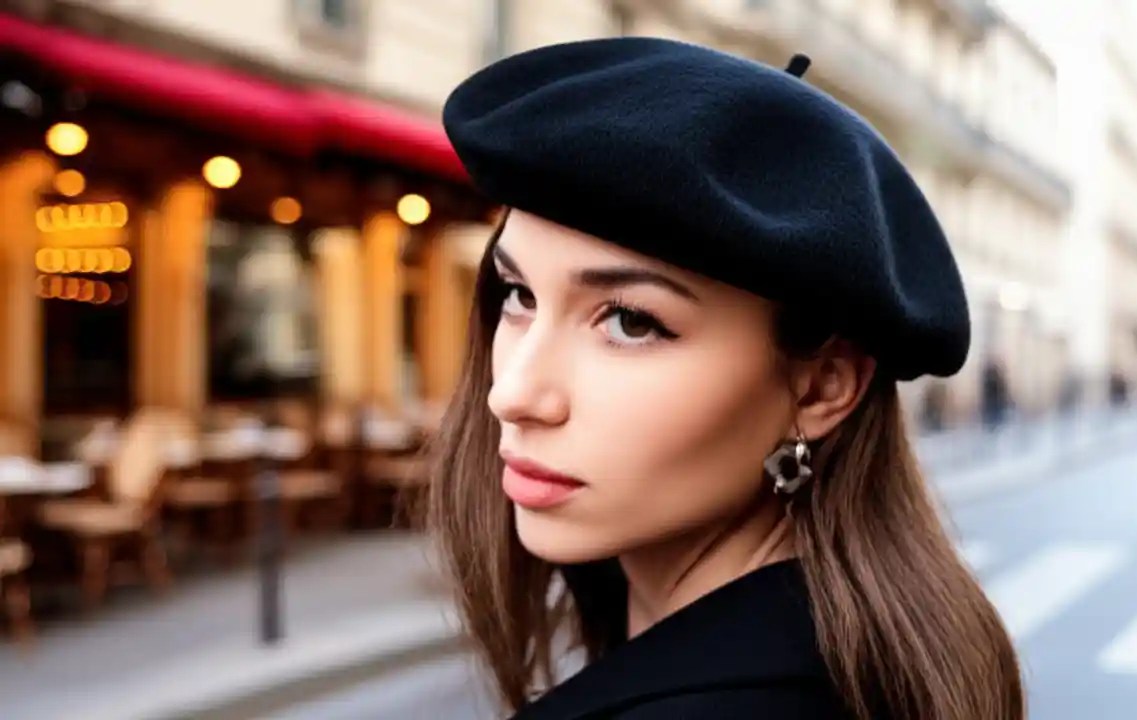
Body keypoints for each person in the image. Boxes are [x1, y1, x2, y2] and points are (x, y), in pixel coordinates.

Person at [417, 38, 1022, 719]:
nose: (514, 394)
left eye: (631, 323)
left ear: (822, 388)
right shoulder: (864, 654)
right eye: (519, 296)